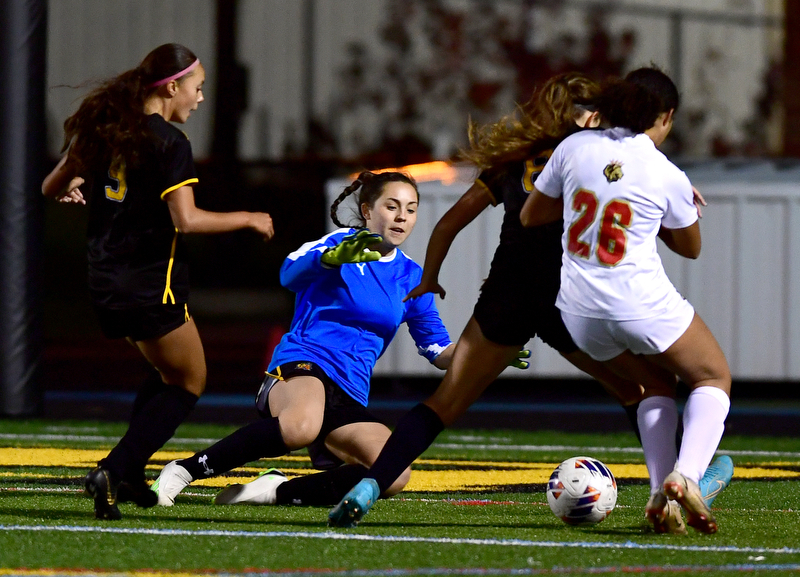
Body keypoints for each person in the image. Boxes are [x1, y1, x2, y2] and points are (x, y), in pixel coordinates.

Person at [328, 72, 732, 531]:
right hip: (566, 300)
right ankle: (686, 475)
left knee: (444, 403)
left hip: (507, 293)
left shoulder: (513, 161)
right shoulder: (592, 155)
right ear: (587, 115)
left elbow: (448, 225)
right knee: (640, 389)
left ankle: (370, 485)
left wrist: (431, 279)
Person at [153, 170, 511, 508]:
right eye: (392, 206)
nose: (402, 217)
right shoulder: (339, 244)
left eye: (411, 209)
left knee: (394, 473)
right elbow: (288, 275)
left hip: (349, 391)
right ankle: (183, 470)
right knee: (300, 427)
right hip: (303, 364)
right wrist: (327, 260)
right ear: (368, 211)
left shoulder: (413, 276)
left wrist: (485, 352)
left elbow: (436, 350)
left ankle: (276, 490)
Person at [41, 43, 275, 520]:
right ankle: (116, 466)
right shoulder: (169, 142)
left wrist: (72, 184)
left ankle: (128, 474)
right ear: (172, 87)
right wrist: (248, 217)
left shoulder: (104, 130)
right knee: (190, 382)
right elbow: (186, 221)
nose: (200, 98)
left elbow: (49, 186)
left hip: (105, 279)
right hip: (150, 283)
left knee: (164, 372)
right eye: (197, 88)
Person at [518, 67, 732, 535]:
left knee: (656, 386)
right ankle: (687, 476)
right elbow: (690, 248)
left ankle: (661, 496)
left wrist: (587, 194)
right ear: (666, 116)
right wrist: (680, 203)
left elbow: (531, 214)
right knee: (713, 376)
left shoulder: (573, 147)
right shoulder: (664, 171)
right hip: (638, 304)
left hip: (578, 314)